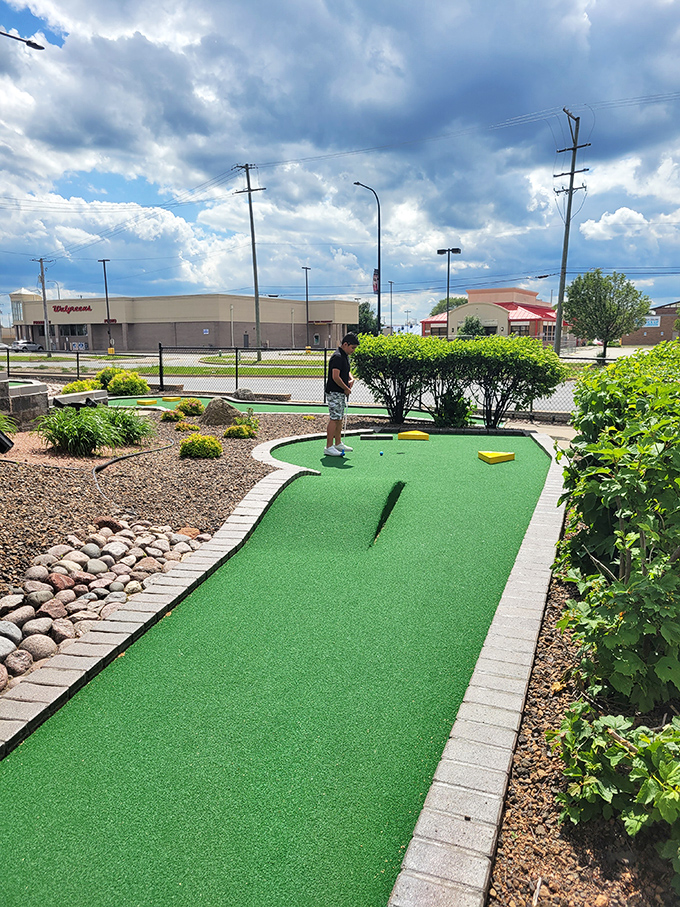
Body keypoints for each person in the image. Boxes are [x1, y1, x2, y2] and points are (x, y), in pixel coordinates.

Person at [324, 332, 359, 456]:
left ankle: (338, 443)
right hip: (334, 392)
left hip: (339, 392)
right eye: (352, 347)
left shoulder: (344, 356)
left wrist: (351, 378)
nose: (353, 350)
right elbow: (335, 376)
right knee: (334, 418)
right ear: (345, 344)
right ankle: (329, 447)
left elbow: (346, 370)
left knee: (339, 418)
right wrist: (346, 388)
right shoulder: (337, 356)